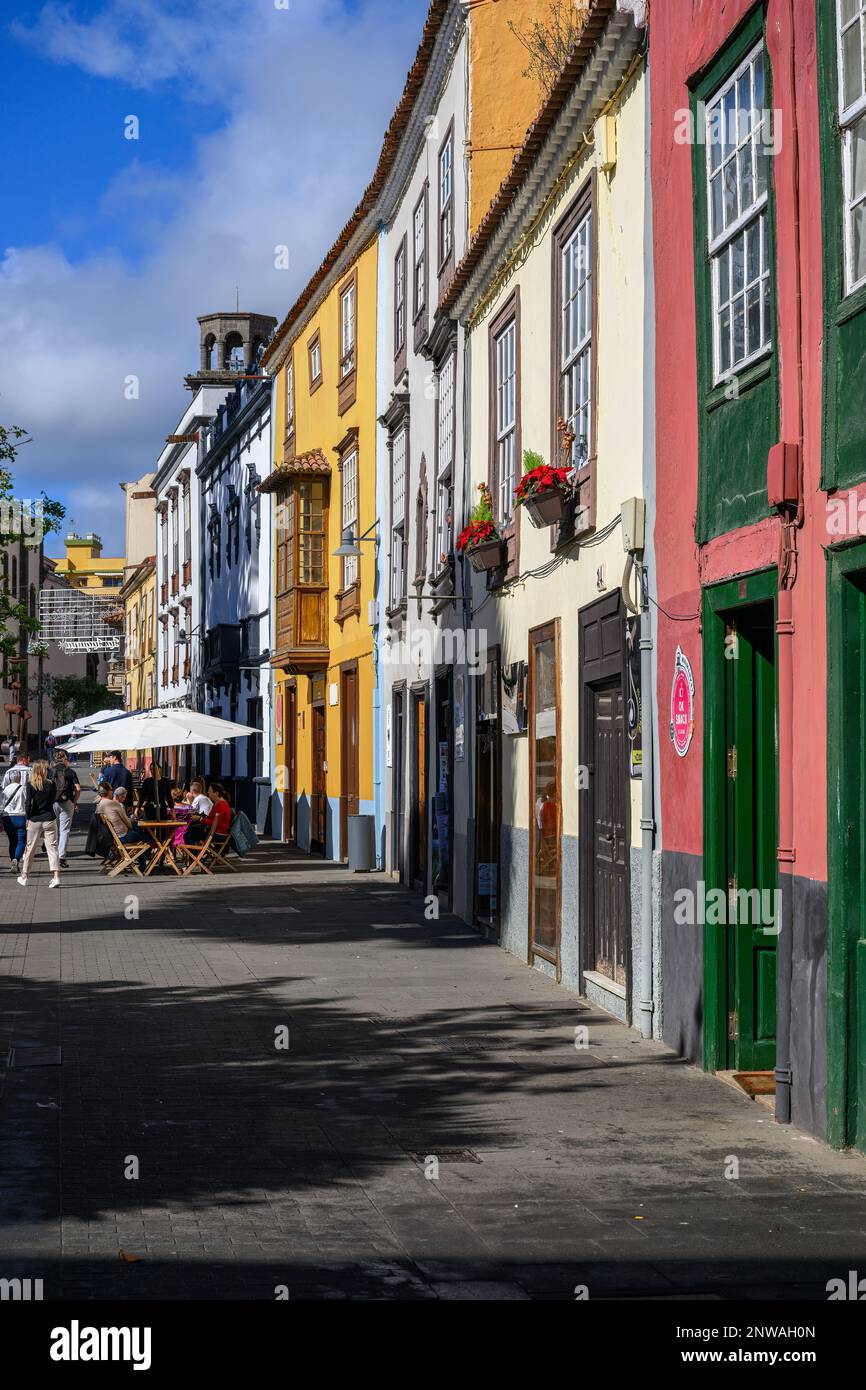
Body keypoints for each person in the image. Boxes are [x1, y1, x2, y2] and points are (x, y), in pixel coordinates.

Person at [17, 761, 61, 888]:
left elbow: (28, 804)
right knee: (52, 848)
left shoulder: (30, 784)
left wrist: (27, 817)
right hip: (50, 818)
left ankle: (25, 876)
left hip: (35, 819)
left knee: (30, 848)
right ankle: (56, 877)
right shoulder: (51, 784)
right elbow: (53, 800)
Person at [96, 783, 152, 866]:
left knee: (140, 833)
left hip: (112, 837)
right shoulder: (114, 804)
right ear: (109, 792)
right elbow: (128, 823)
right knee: (146, 836)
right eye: (111, 790)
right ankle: (144, 863)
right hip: (123, 836)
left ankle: (141, 861)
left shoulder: (99, 805)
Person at [50, 748, 80, 868]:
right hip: (67, 802)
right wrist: (74, 801)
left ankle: (52, 855)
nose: (68, 761)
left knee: (52, 829)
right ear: (63, 759)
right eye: (67, 759)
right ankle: (61, 857)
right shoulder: (70, 772)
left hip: (52, 803)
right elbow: (78, 788)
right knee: (64, 830)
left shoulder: (50, 771)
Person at [1, 753, 30, 874]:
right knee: (21, 841)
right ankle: (16, 859)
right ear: (18, 778)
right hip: (21, 816)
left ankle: (13, 859)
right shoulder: (23, 788)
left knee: (12, 841)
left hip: (7, 817)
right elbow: (27, 802)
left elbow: (1, 804)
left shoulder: (4, 789)